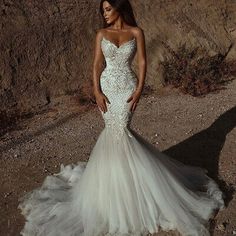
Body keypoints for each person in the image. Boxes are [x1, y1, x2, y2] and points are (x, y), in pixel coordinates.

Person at [18, 0, 225, 235]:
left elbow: (143, 61)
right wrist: (96, 91)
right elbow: (97, 64)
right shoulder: (101, 34)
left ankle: (130, 193)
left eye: (108, 9)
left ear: (119, 7)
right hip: (107, 87)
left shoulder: (136, 32)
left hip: (127, 87)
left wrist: (139, 89)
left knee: (121, 131)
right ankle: (114, 192)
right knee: (114, 133)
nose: (104, 14)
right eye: (103, 10)